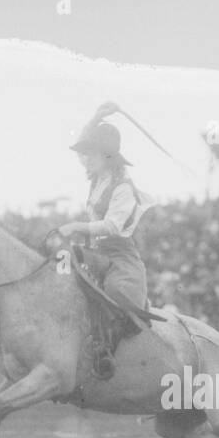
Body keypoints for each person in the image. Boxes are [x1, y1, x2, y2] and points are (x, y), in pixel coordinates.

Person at [58, 103, 155, 375]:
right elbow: (84, 141)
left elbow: (112, 225)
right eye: (85, 154)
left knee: (114, 293)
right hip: (96, 254)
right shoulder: (97, 178)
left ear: (107, 155)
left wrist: (77, 225)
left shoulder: (123, 187)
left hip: (119, 257)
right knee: (61, 271)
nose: (85, 158)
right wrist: (97, 115)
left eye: (92, 154)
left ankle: (107, 353)